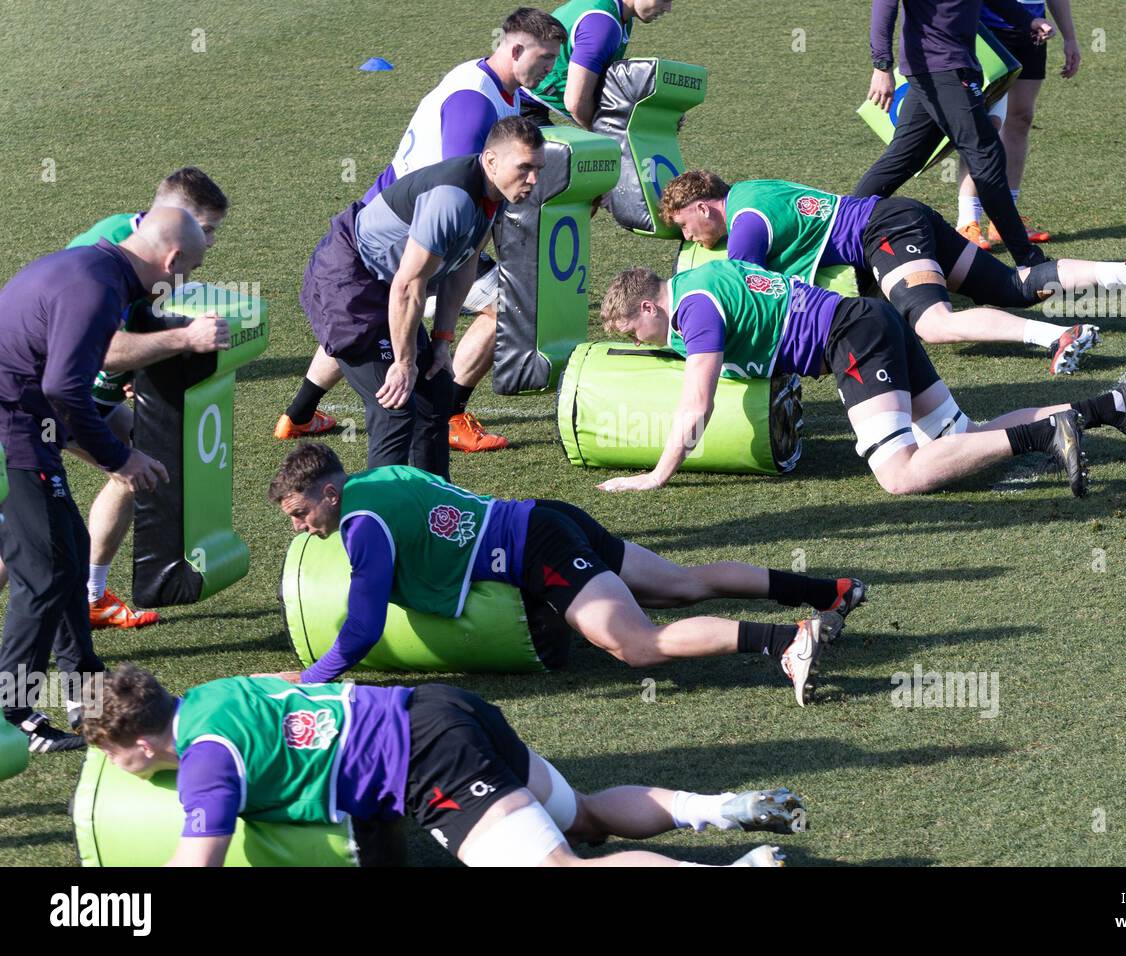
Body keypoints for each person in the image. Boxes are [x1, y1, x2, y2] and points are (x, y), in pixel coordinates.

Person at [267, 443, 866, 706]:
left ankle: (786, 641)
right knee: (684, 582)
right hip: (545, 517)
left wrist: (314, 677)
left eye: (300, 514)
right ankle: (831, 592)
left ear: (328, 492)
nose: (299, 527)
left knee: (637, 645)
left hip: (537, 549)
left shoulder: (361, 524)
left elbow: (365, 625)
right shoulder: (378, 478)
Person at [83, 664, 804, 866]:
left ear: (141, 745)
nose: (119, 770)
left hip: (429, 763)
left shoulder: (206, 765)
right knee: (580, 815)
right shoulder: (214, 694)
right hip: (440, 707)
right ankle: (717, 808)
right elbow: (299, 688)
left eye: (114, 758)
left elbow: (195, 864)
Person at [599, 260, 1126, 499]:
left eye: (634, 332)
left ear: (650, 306)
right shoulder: (706, 274)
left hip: (851, 340)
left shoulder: (692, 313)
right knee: (960, 435)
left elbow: (696, 404)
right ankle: (1111, 404)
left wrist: (657, 474)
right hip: (870, 320)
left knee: (898, 476)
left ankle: (1049, 432)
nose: (641, 341)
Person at [277, 7, 568, 452]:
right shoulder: (475, 105)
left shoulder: (490, 83)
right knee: (501, 306)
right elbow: (462, 188)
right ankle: (451, 415)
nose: (551, 70)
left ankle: (299, 413)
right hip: (404, 236)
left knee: (368, 327)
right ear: (515, 48)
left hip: (387, 229)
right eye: (546, 59)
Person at [0, 208, 208, 752]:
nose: (184, 282)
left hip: (24, 423)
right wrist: (120, 459)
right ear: (172, 259)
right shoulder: (96, 288)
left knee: (66, 551)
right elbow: (67, 390)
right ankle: (10, 710)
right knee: (43, 575)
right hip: (12, 431)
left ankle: (86, 688)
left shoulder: (97, 268)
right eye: (190, 269)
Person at [659, 171, 1126, 376]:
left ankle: (1062, 335)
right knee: (1012, 285)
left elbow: (742, 288)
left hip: (882, 234)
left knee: (932, 323)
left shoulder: (745, 222)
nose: (690, 239)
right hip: (899, 218)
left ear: (704, 206)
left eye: (685, 227)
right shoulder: (754, 190)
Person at [20, 168, 230, 631]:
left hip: (73, 391)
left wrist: (140, 368)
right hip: (44, 398)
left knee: (136, 463)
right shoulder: (107, 253)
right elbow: (101, 348)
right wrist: (182, 341)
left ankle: (91, 597)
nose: (209, 243)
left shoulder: (143, 245)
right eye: (207, 229)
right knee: (30, 534)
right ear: (174, 221)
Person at [299, 117, 544, 481]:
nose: (534, 180)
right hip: (352, 282)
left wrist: (442, 341)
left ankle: (435, 509)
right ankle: (382, 522)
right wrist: (402, 362)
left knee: (436, 393)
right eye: (524, 168)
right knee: (394, 406)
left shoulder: (495, 195)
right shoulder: (453, 199)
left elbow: (464, 267)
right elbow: (407, 286)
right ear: (491, 161)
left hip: (389, 285)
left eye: (539, 169)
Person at [858, 0, 1054, 267]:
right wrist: (881, 66)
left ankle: (839, 226)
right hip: (942, 68)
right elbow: (885, 5)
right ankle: (1028, 260)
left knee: (905, 157)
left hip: (945, 66)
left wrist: (1026, 20)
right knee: (986, 155)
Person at [954, 0, 1080, 249]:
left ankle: (1005, 221)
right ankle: (967, 221)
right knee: (982, 122)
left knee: (1021, 119)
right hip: (987, 27)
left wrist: (1070, 38)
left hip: (1032, 29)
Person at [521, 0, 674, 129]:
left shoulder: (620, 16)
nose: (669, 8)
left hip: (529, 98)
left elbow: (609, 83)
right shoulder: (603, 25)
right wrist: (613, 135)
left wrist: (656, 117)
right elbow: (576, 103)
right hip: (519, 103)